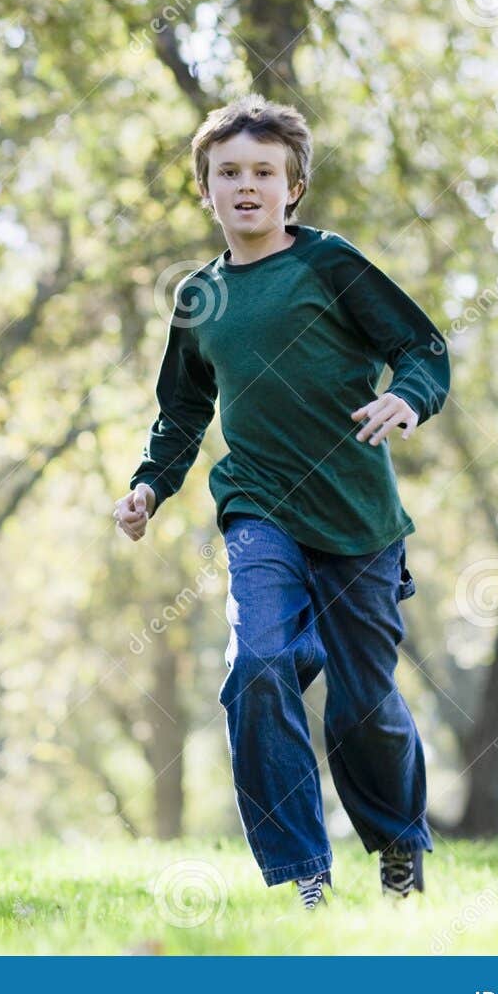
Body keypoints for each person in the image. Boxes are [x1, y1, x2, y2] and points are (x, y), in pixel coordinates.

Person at [112, 94, 450, 912]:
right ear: (206, 189)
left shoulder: (329, 264)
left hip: (358, 517)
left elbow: (421, 346)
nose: (247, 185)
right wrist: (152, 482)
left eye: (264, 171)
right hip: (258, 507)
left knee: (367, 704)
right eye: (228, 172)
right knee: (258, 665)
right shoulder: (199, 297)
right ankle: (307, 872)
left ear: (293, 186)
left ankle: (399, 841)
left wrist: (407, 396)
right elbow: (185, 409)